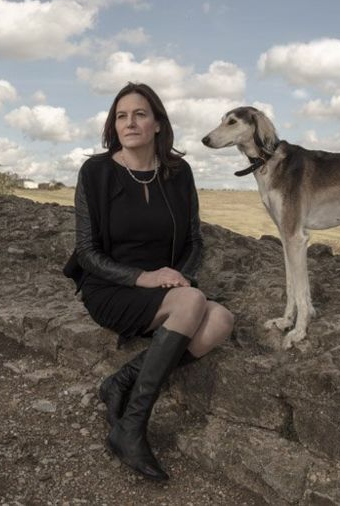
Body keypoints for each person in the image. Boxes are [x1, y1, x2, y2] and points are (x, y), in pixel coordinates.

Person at [63, 82, 235, 482]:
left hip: (168, 289)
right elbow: (87, 253)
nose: (130, 122)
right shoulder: (96, 172)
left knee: (221, 321)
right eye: (121, 116)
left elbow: (194, 240)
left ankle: (121, 381)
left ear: (157, 123)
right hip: (110, 286)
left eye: (140, 114)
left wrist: (180, 279)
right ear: (113, 125)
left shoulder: (179, 172)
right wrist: (145, 278)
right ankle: (131, 428)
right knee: (193, 304)